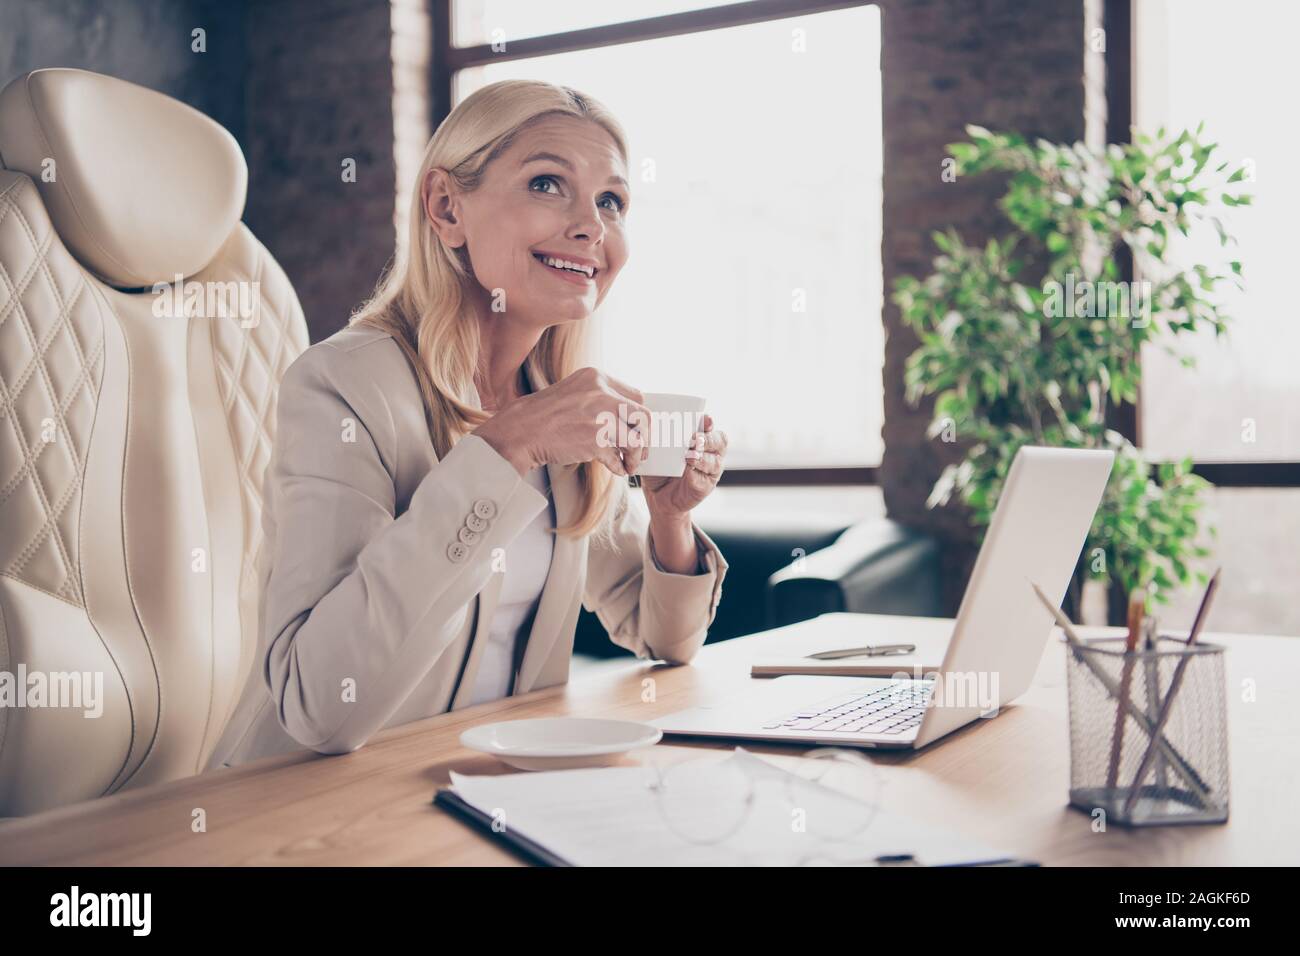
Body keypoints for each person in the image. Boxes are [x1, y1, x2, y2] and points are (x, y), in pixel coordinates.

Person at [209, 80, 729, 768]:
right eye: (548, 184)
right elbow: (318, 704)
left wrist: (669, 518)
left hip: (490, 793)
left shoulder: (557, 404)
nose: (591, 225)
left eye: (612, 200)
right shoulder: (342, 384)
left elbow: (664, 639)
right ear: (447, 208)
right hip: (315, 812)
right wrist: (507, 447)